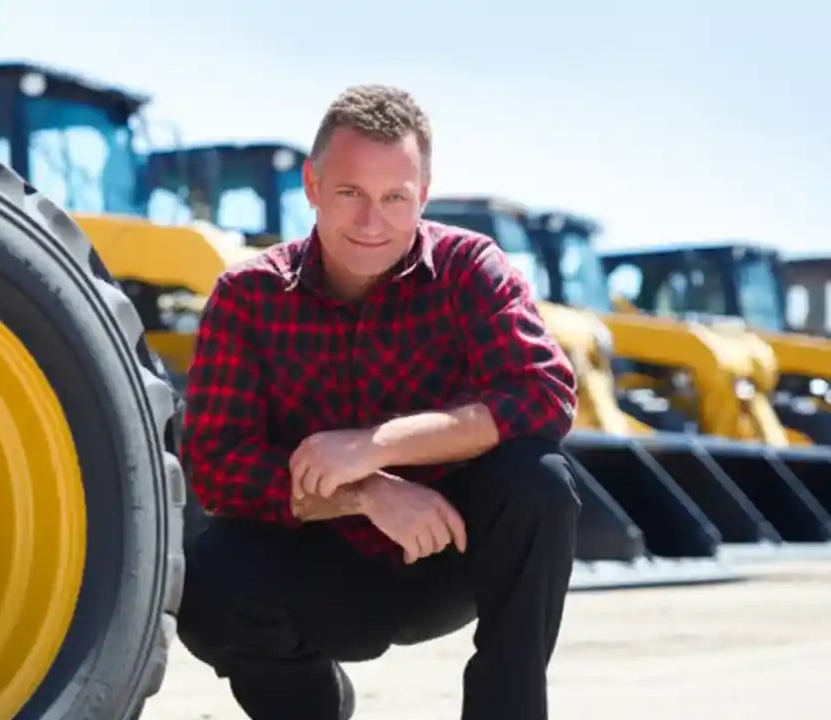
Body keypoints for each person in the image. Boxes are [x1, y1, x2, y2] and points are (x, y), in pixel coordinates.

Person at [176, 83, 582, 720]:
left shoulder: (470, 268)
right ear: (312, 186)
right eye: (350, 193)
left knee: (541, 481)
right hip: (324, 562)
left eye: (395, 197)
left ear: (423, 195)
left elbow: (543, 392)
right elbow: (216, 466)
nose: (372, 222)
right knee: (209, 580)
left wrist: (375, 446)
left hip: (448, 551)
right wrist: (366, 492)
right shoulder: (248, 296)